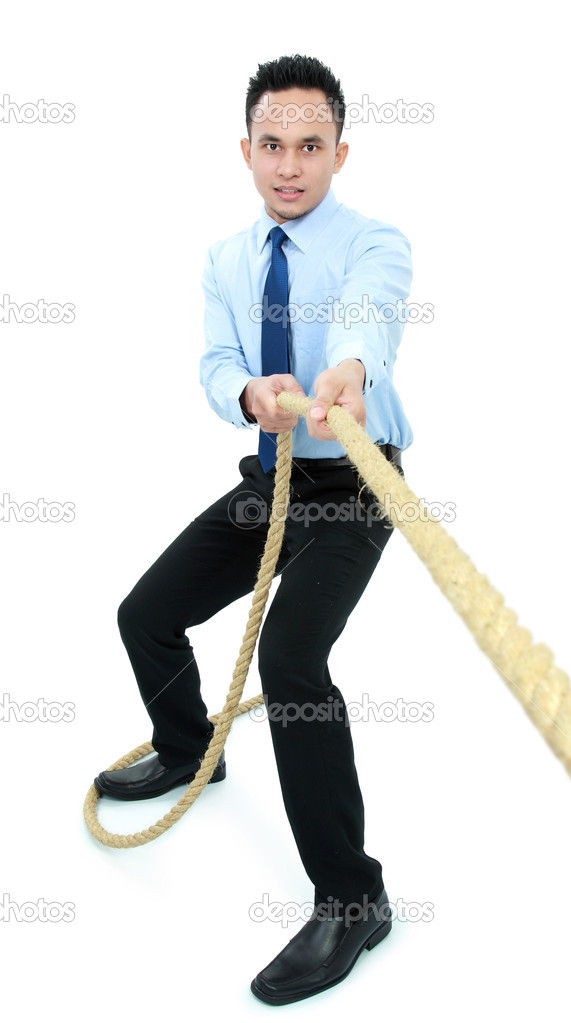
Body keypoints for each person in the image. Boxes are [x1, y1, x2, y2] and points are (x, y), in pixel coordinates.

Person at [93, 53, 414, 1006]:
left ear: (340, 153)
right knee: (143, 613)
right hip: (270, 475)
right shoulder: (227, 259)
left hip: (358, 485)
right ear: (246, 149)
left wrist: (345, 369)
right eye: (271, 145)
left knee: (292, 662)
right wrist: (245, 392)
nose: (290, 165)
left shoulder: (375, 241)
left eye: (310, 145)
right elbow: (216, 360)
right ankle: (193, 745)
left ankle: (354, 897)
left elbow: (371, 313)